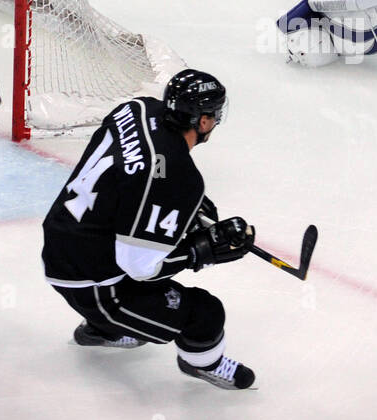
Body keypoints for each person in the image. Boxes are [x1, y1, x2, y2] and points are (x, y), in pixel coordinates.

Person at [41, 69, 258, 390]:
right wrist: (202, 252)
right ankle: (201, 363)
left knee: (156, 240)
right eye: (214, 115)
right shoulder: (179, 178)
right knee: (206, 313)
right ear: (202, 121)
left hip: (61, 240)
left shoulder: (137, 109)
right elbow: (141, 268)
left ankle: (104, 329)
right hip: (92, 283)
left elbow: (131, 171)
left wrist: (186, 206)